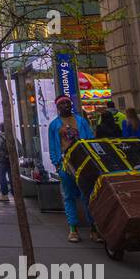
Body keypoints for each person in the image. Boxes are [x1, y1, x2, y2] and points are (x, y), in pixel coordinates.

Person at [48, 95, 97, 243]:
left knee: (88, 195)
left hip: (83, 162)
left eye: (68, 103)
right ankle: (73, 229)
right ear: (58, 107)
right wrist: (56, 163)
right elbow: (52, 145)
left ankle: (94, 228)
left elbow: (90, 138)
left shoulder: (81, 121)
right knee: (69, 196)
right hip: (65, 164)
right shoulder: (54, 125)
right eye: (62, 104)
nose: (66, 106)